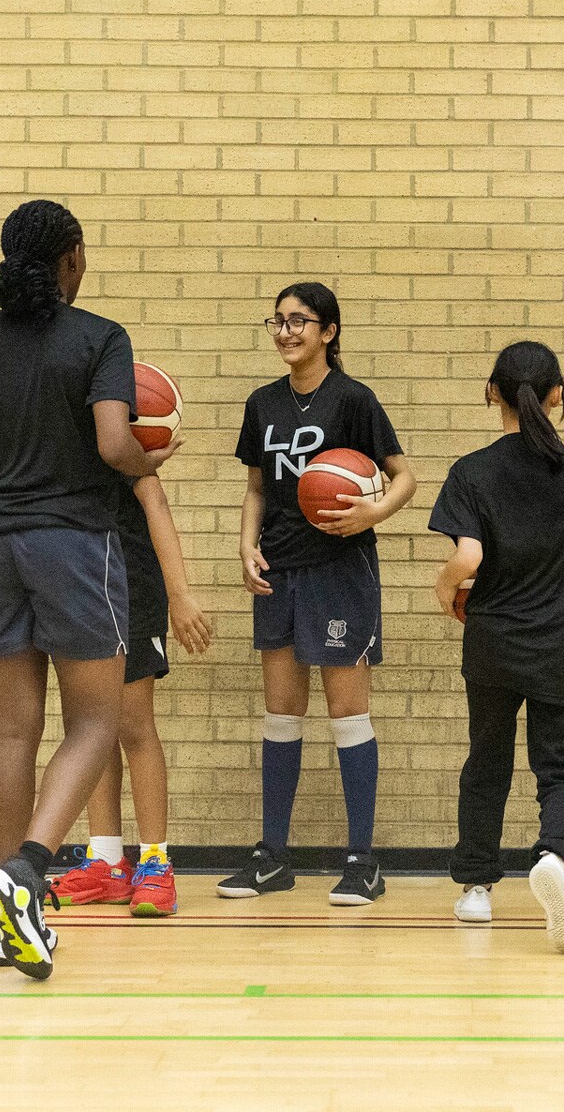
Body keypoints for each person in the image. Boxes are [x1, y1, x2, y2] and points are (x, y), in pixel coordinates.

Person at [0, 200, 176, 978]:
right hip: (74, 544)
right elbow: (112, 441)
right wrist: (149, 460)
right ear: (71, 258)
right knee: (98, 721)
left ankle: (4, 919)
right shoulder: (100, 337)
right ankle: (27, 870)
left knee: (13, 731)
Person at [219, 282, 416, 905]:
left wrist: (373, 513)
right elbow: (256, 487)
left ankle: (363, 859)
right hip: (279, 571)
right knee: (281, 715)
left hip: (340, 569)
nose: (285, 332)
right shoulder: (262, 403)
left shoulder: (354, 400)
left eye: (298, 321)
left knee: (347, 713)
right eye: (277, 321)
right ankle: (273, 855)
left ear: (328, 331)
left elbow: (405, 476)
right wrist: (247, 545)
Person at [431, 342, 564, 954]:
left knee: (487, 760)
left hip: (494, 642)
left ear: (492, 392)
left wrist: (443, 586)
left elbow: (469, 558)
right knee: (561, 770)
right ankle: (557, 860)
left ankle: (477, 888)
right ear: (557, 395)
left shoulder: (471, 472)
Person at [49, 468, 213, 917]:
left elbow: (155, 502)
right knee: (90, 727)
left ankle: (156, 861)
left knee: (134, 725)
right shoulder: (63, 439)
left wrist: (179, 595)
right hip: (80, 587)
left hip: (132, 588)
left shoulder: (120, 437)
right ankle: (105, 861)